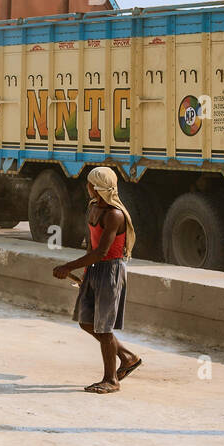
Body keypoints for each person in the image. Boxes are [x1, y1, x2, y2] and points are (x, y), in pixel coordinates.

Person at [53, 166, 142, 394]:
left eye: (90, 183)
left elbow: (102, 252)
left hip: (110, 271)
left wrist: (68, 267)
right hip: (94, 270)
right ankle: (127, 356)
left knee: (103, 328)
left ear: (97, 188)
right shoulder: (93, 207)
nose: (87, 186)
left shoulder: (114, 214)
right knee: (86, 321)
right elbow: (92, 245)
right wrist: (85, 273)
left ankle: (111, 380)